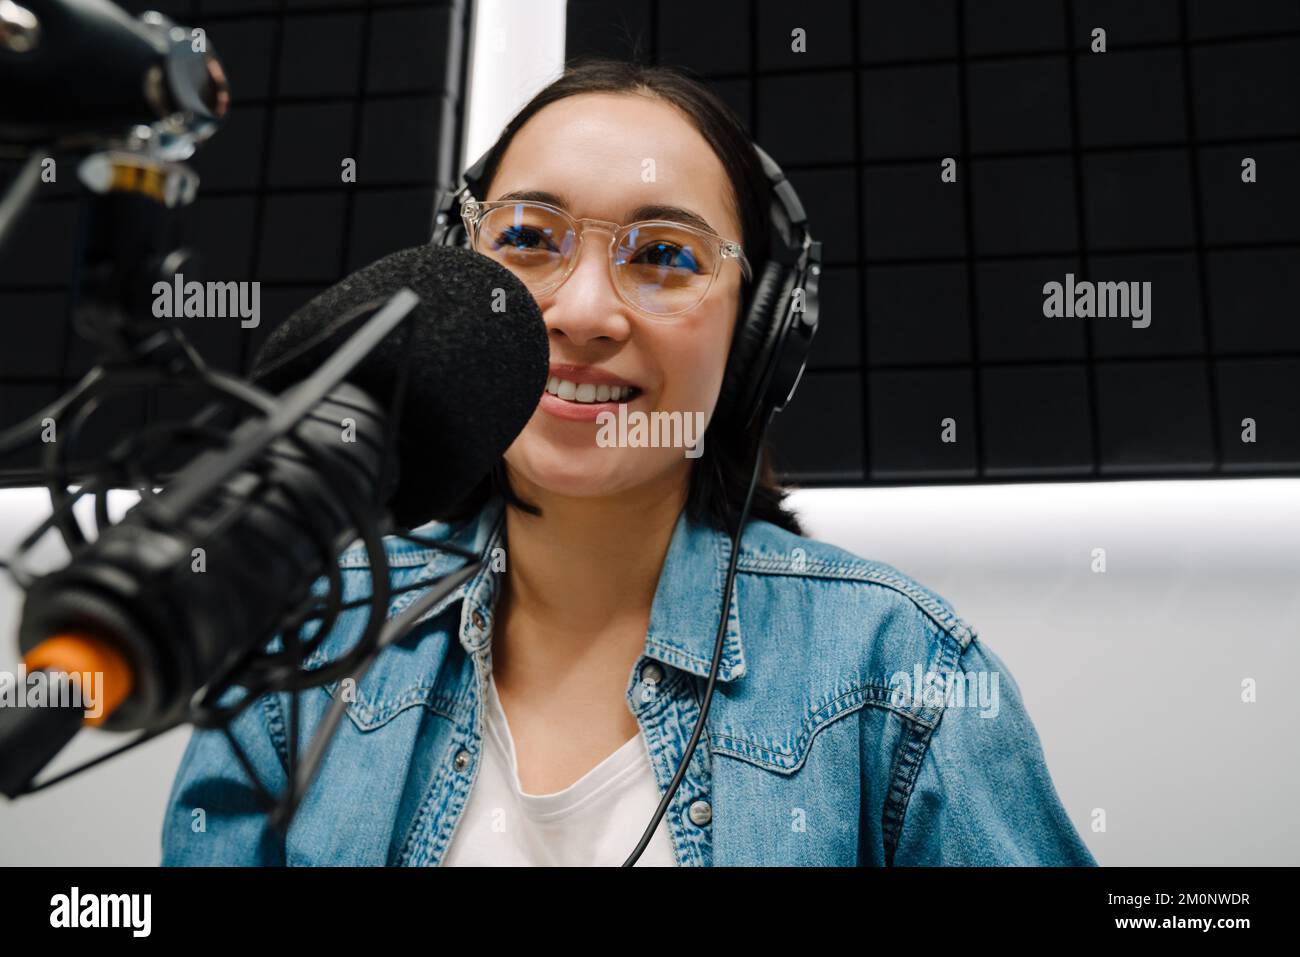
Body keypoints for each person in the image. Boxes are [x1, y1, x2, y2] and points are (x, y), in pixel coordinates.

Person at [161, 57, 1096, 867]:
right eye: (527, 238)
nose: (582, 312)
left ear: (762, 331)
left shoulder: (902, 673)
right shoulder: (310, 634)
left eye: (663, 255)